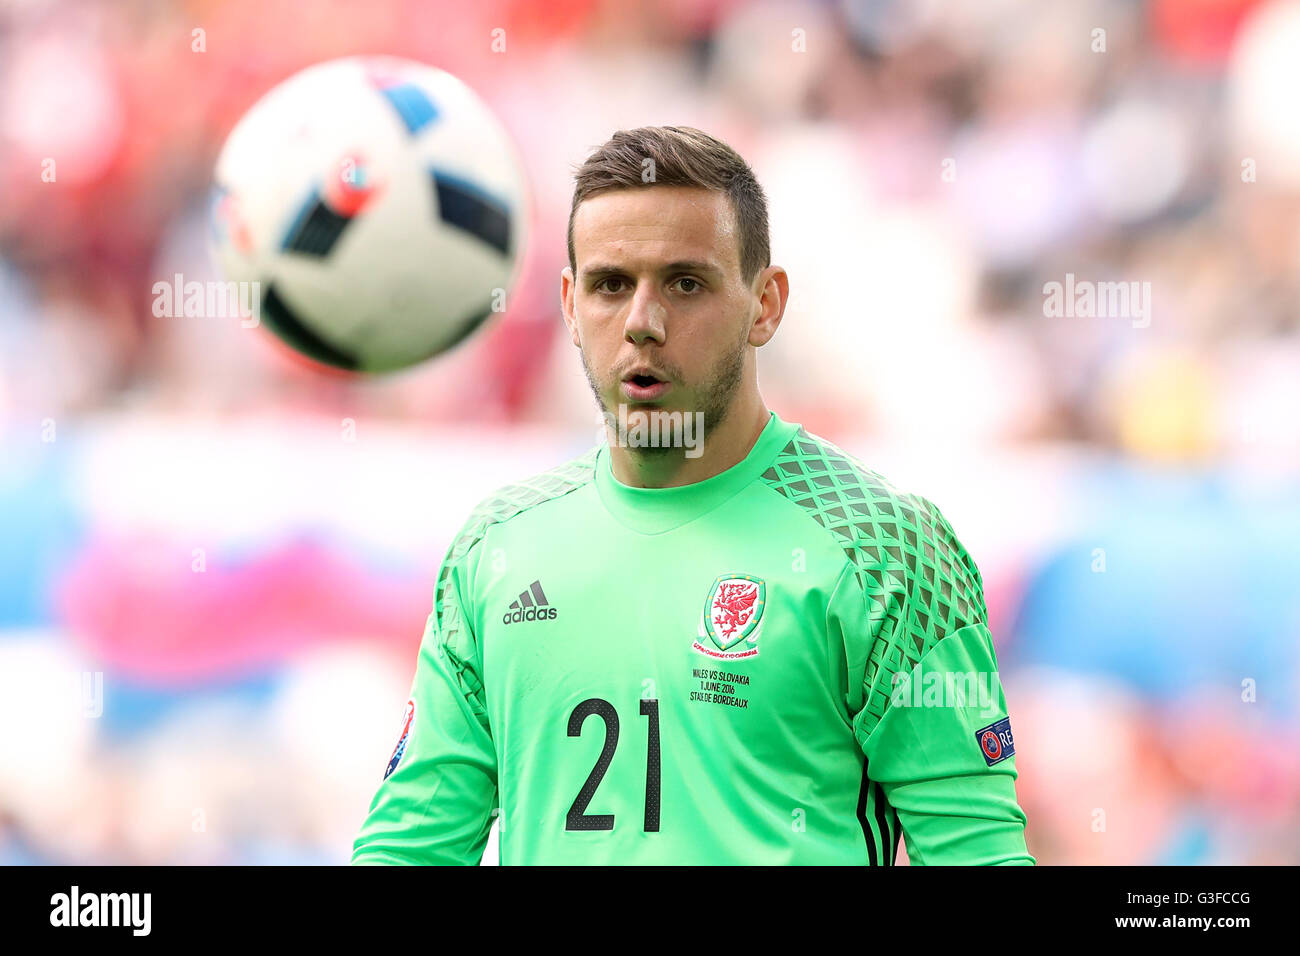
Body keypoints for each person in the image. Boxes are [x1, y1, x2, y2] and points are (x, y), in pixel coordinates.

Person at [351, 126, 1034, 865]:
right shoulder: (498, 547)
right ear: (571, 306)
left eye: (686, 283)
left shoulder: (885, 547)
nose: (643, 323)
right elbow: (410, 845)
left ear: (764, 304)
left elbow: (978, 853)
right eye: (611, 285)